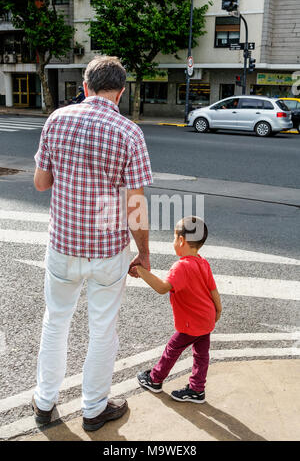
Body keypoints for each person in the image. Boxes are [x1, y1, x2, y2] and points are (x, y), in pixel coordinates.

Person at [32, 55, 152, 431]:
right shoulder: (129, 132)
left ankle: (44, 403)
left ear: (85, 87)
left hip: (63, 246)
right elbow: (135, 204)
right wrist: (144, 253)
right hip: (107, 252)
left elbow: (40, 183)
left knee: (55, 323)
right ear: (120, 91)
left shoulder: (56, 120)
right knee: (103, 330)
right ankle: (94, 409)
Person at [135, 216, 222, 403]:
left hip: (191, 323)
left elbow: (162, 288)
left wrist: (140, 270)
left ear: (181, 240)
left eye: (174, 237)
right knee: (201, 355)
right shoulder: (202, 262)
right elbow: (213, 289)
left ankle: (155, 379)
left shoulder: (181, 267)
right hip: (207, 318)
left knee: (172, 349)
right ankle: (197, 389)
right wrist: (218, 310)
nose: (173, 241)